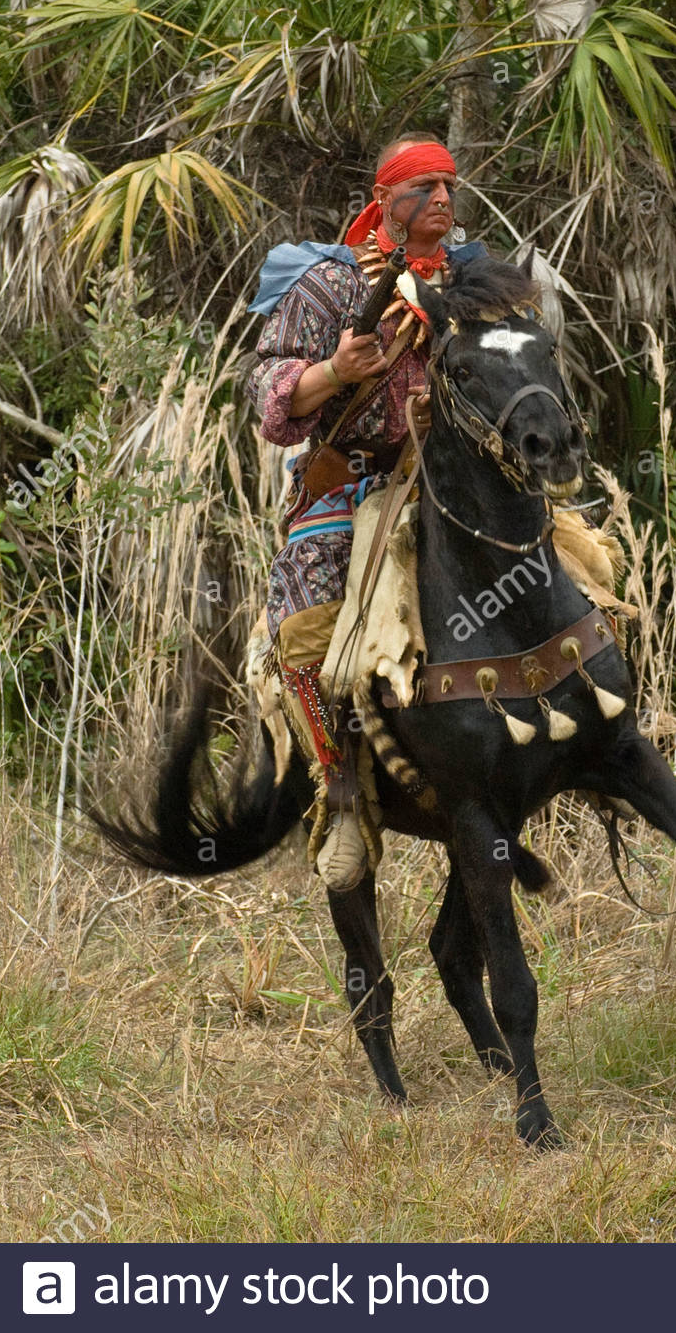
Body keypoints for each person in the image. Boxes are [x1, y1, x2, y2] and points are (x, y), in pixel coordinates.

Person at [247, 133, 486, 893]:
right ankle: (342, 784)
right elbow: (266, 390)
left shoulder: (472, 280)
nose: (443, 201)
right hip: (349, 481)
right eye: (425, 188)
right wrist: (331, 371)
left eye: (449, 186)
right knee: (306, 612)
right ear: (384, 201)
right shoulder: (326, 284)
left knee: (572, 569)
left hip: (449, 479)